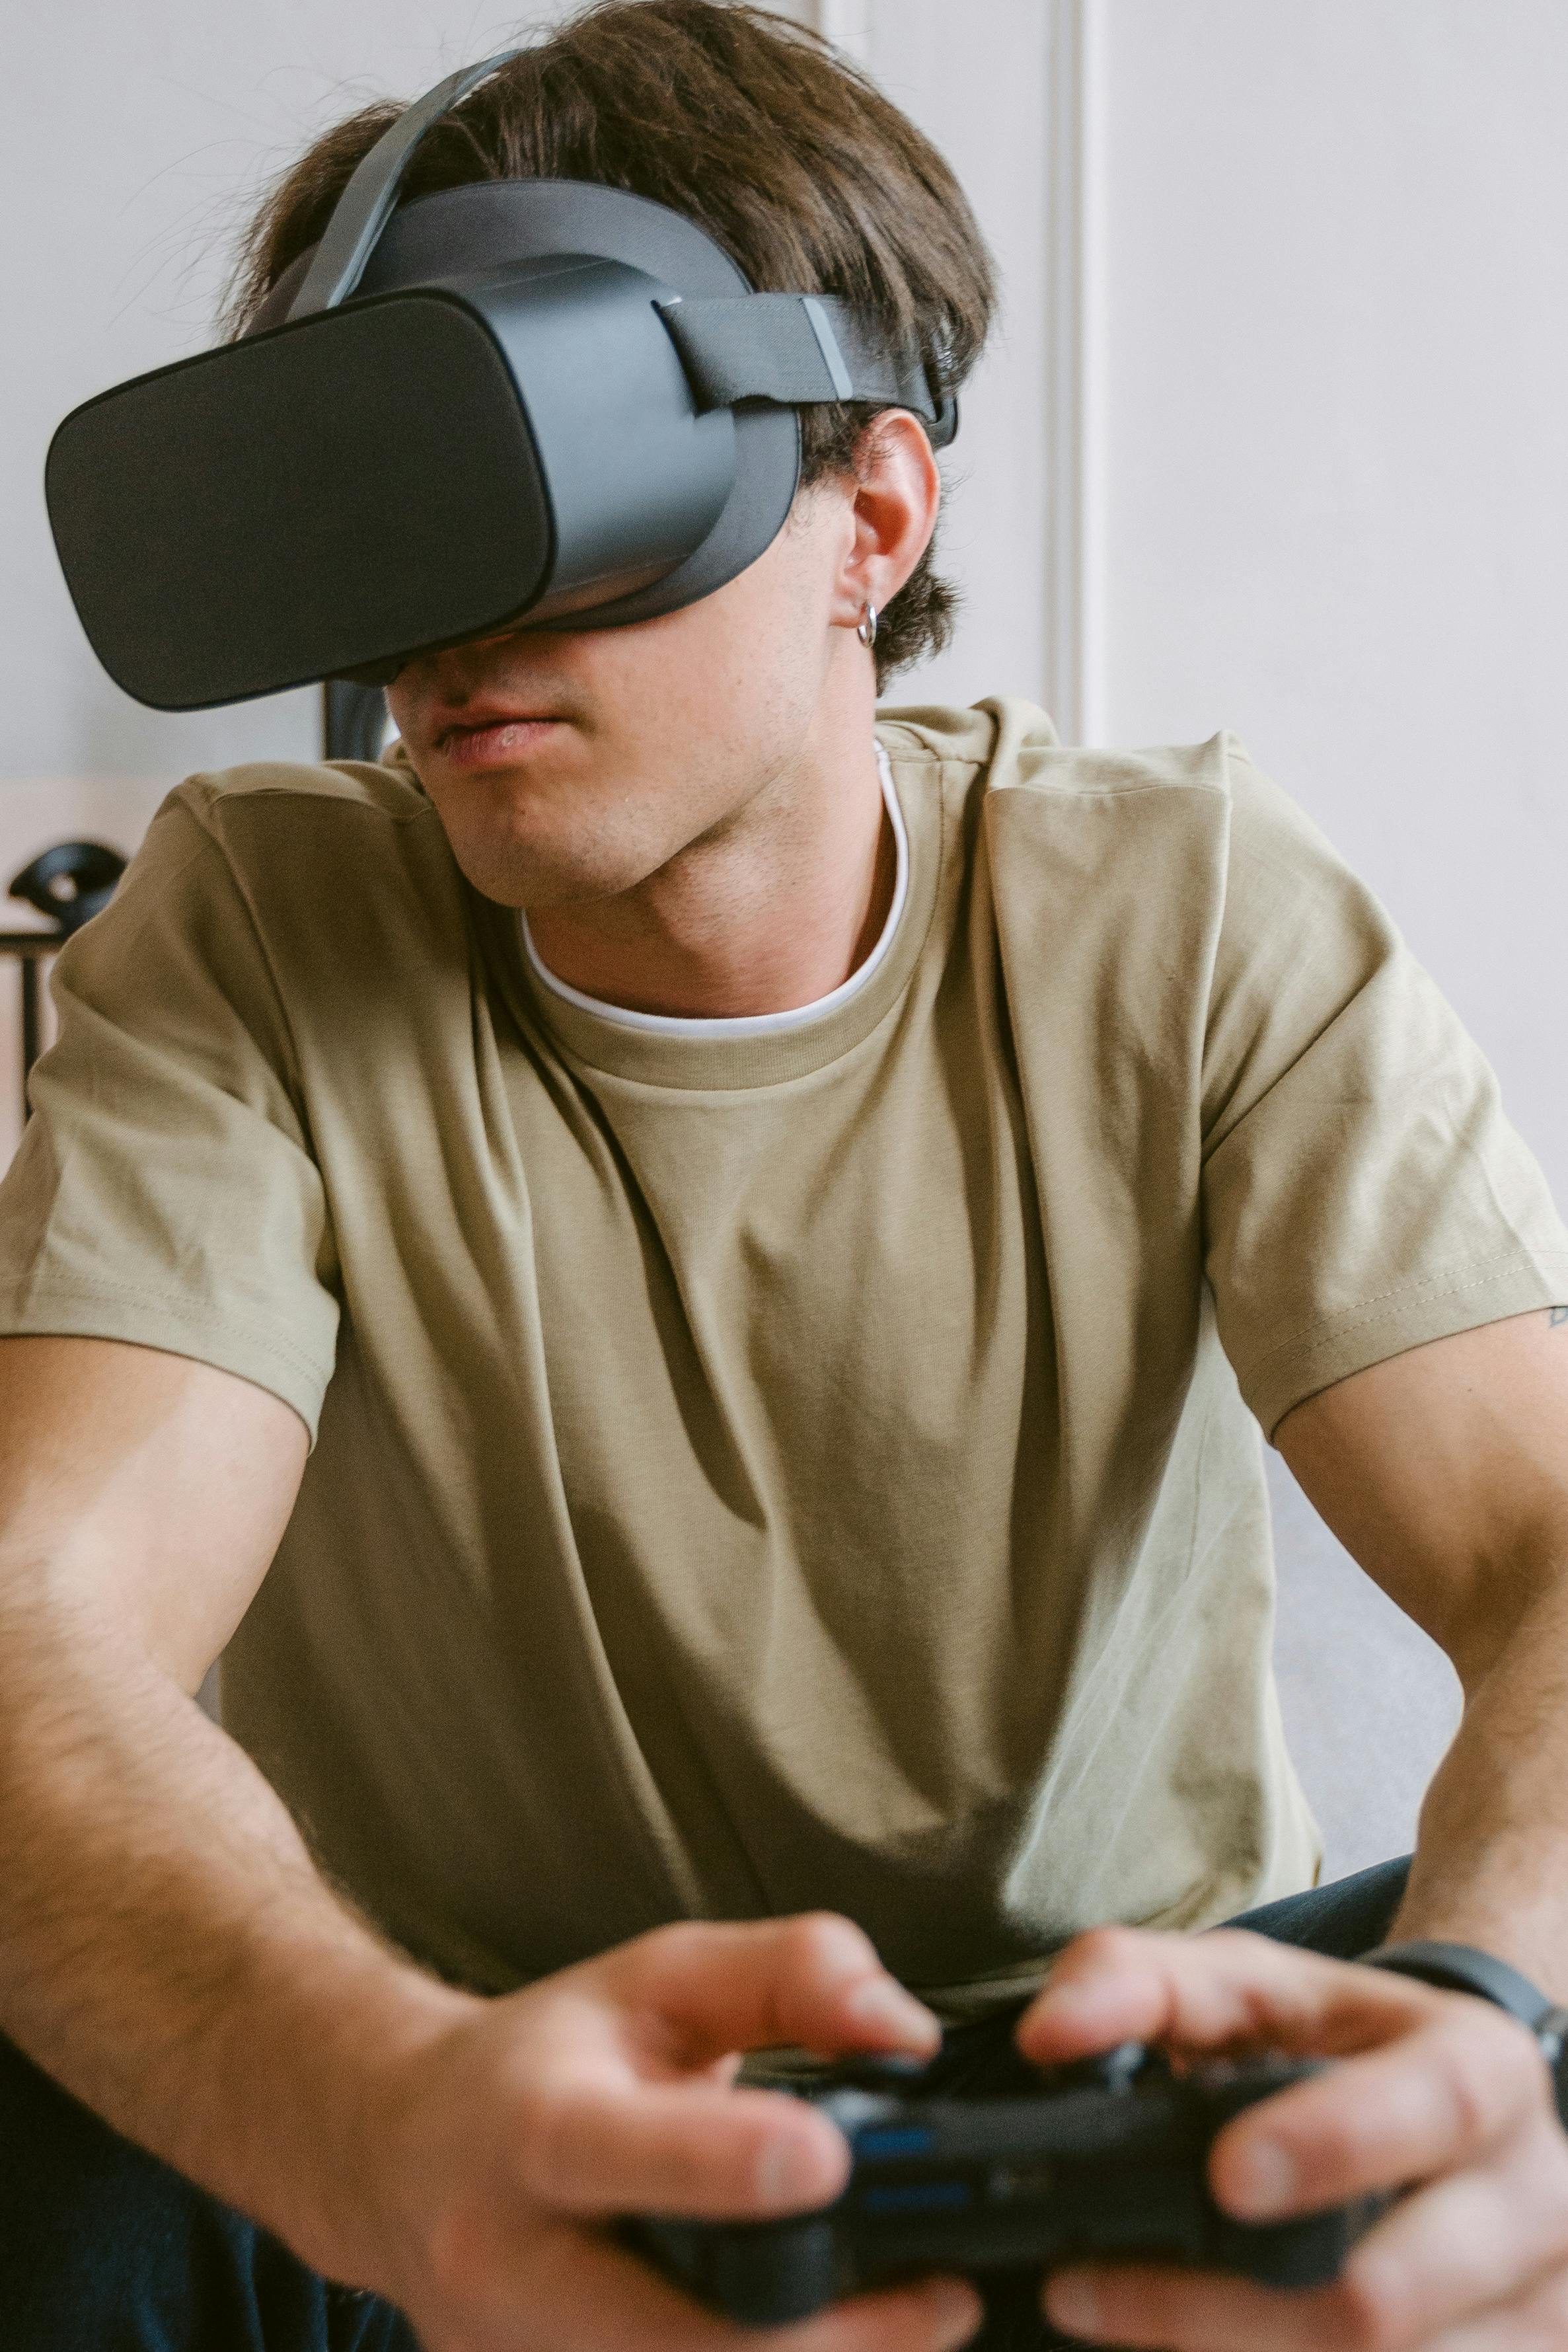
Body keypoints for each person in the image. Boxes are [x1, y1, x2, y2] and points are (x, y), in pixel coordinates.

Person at [3, 5, 1568, 2348]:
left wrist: (1492, 2010)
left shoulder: (1184, 906)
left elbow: (1548, 1550)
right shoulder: (251, 928)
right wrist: (379, 2116)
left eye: (535, 477)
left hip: (1121, 2080)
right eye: (385, 507)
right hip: (481, 2122)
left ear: (876, 511)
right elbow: (42, 1629)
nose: (441, 631)